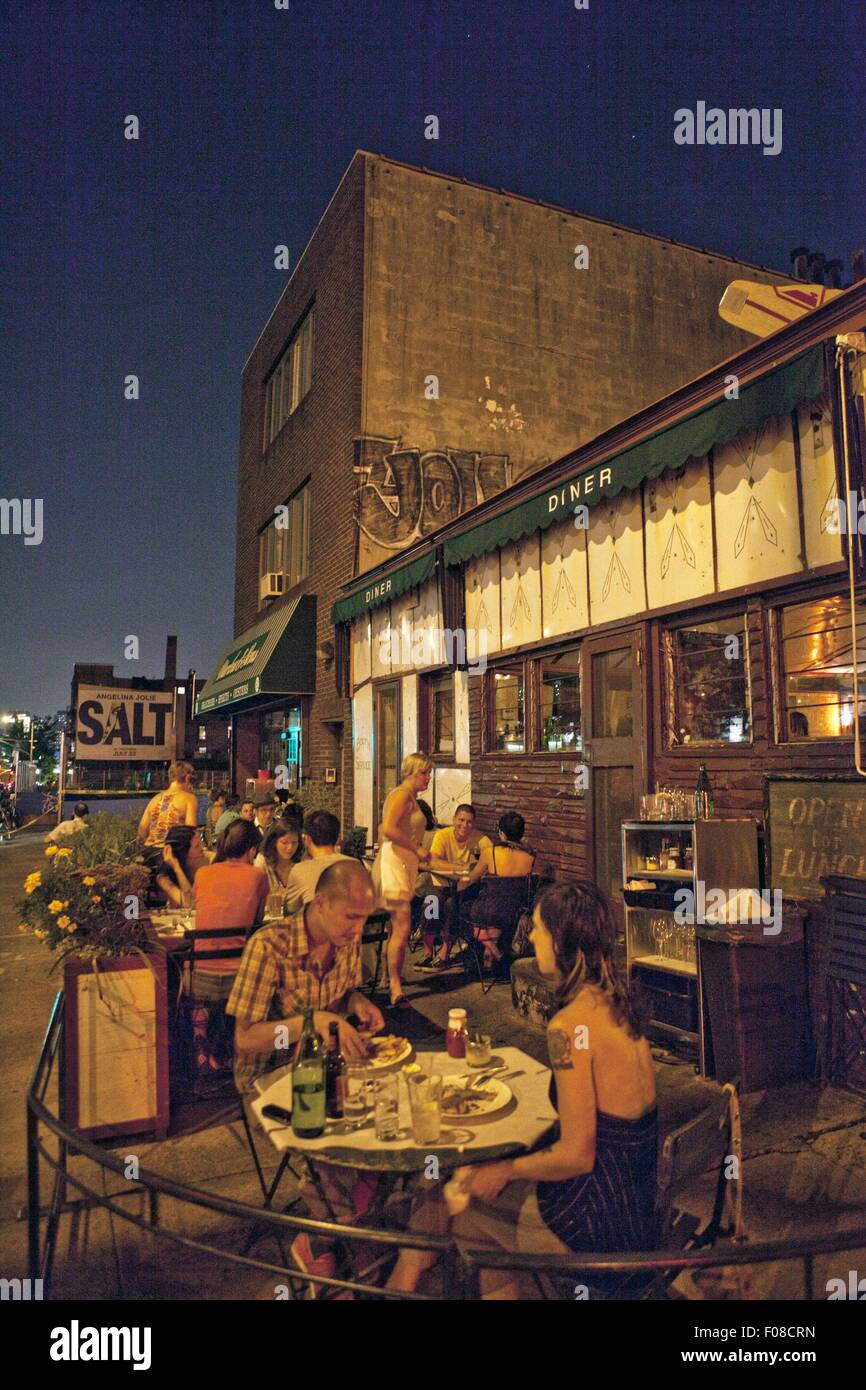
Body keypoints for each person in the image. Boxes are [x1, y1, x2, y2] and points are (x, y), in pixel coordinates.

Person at [388, 881, 658, 1299]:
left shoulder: (570, 1027)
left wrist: (504, 1170)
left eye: (537, 929)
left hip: (593, 1225)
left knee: (455, 1204)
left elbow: (576, 1153)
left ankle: (396, 1285)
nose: (530, 937)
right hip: (634, 1210)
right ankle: (402, 1281)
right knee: (468, 1210)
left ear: (561, 940)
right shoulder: (617, 1004)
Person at [227, 859, 385, 1287]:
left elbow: (343, 992)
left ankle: (337, 1233)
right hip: (270, 1078)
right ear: (320, 902)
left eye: (365, 918)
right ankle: (335, 1242)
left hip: (329, 1064)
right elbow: (245, 1039)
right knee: (327, 1146)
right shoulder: (270, 946)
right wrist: (310, 1023)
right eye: (352, 917)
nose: (358, 929)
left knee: (392, 1120)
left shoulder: (345, 939)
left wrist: (356, 1005)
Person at [191, 819, 268, 1076]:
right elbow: (257, 922)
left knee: (194, 983)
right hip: (240, 980)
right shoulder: (257, 875)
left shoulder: (203, 873)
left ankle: (201, 1041)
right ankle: (241, 1049)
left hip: (198, 978)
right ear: (252, 851)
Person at [371, 752, 433, 1008]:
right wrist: (417, 849)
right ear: (411, 773)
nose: (428, 778)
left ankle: (389, 977)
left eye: (429, 773)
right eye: (424, 773)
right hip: (393, 864)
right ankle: (395, 987)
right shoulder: (401, 795)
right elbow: (388, 828)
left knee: (394, 929)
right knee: (402, 927)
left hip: (403, 864)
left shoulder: (411, 797)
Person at [459, 810, 535, 976]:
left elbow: (470, 879)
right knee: (490, 920)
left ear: (501, 832)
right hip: (514, 912)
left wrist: (457, 884)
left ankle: (497, 955)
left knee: (461, 910)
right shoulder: (530, 857)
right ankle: (490, 958)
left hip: (489, 910)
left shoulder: (490, 852)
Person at [417, 804, 492, 970]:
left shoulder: (481, 840)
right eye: (461, 820)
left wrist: (462, 870)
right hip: (440, 884)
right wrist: (461, 869)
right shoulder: (442, 836)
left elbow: (490, 861)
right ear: (454, 820)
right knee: (431, 905)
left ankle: (444, 952)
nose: (465, 825)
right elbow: (433, 862)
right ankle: (428, 952)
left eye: (469, 822)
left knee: (452, 906)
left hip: (462, 889)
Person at [281, 810, 352, 915]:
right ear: (337, 839)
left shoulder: (300, 870)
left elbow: (290, 912)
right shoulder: (356, 865)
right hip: (353, 929)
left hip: (317, 929)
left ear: (308, 839)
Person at [138, 762, 198, 846]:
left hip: (150, 850)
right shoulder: (189, 798)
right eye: (193, 780)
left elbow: (142, 830)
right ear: (187, 778)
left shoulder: (155, 799)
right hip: (173, 852)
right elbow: (191, 832)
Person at [156, 825, 211, 908]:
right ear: (183, 853)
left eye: (201, 840)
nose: (203, 846)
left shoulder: (205, 863)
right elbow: (189, 904)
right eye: (196, 846)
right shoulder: (164, 878)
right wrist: (177, 868)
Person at [254, 820, 303, 891]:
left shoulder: (303, 860)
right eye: (284, 843)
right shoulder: (263, 861)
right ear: (273, 842)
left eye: (294, 842)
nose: (290, 848)